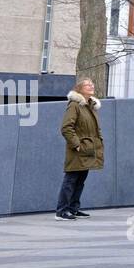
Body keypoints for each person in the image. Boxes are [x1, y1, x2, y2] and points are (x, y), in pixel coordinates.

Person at [56, 78, 103, 220]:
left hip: (88, 149)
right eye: (87, 85)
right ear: (79, 89)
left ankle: (73, 208)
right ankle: (62, 211)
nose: (91, 86)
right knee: (71, 180)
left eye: (92, 84)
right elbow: (66, 128)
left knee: (80, 180)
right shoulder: (75, 105)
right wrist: (76, 144)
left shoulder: (90, 105)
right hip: (78, 149)